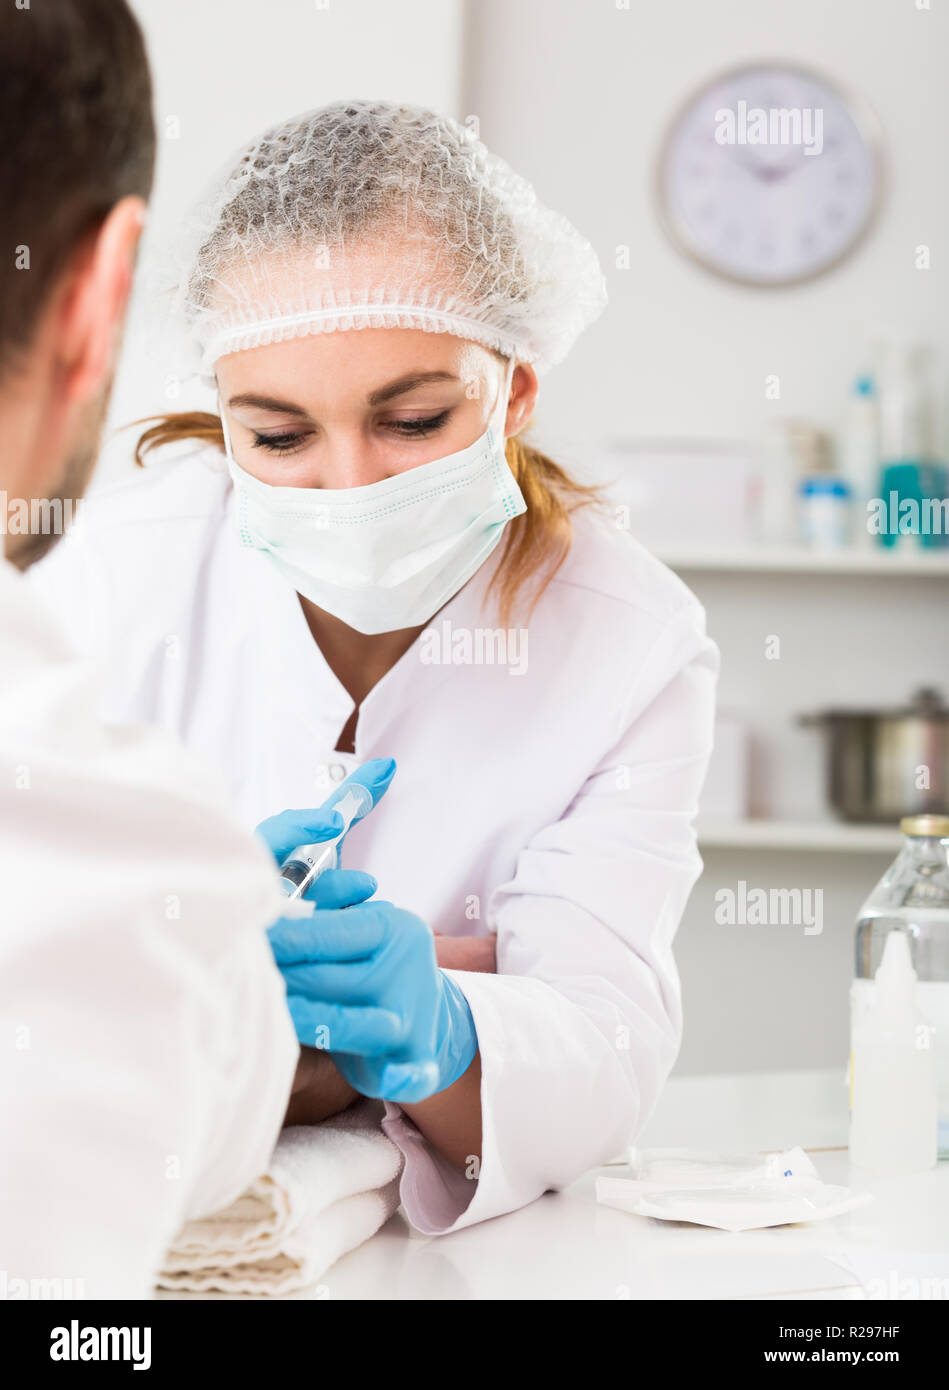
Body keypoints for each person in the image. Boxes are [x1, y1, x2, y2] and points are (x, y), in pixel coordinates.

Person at [33, 99, 720, 1234]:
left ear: (514, 392)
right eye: (280, 436)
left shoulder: (627, 641)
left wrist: (434, 1026)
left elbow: (603, 1047)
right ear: (221, 413)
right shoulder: (110, 573)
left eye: (410, 418)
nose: (349, 484)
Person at [0, 0, 384, 1299]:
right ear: (108, 290)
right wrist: (226, 946)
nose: (346, 484)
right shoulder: (115, 868)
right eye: (275, 433)